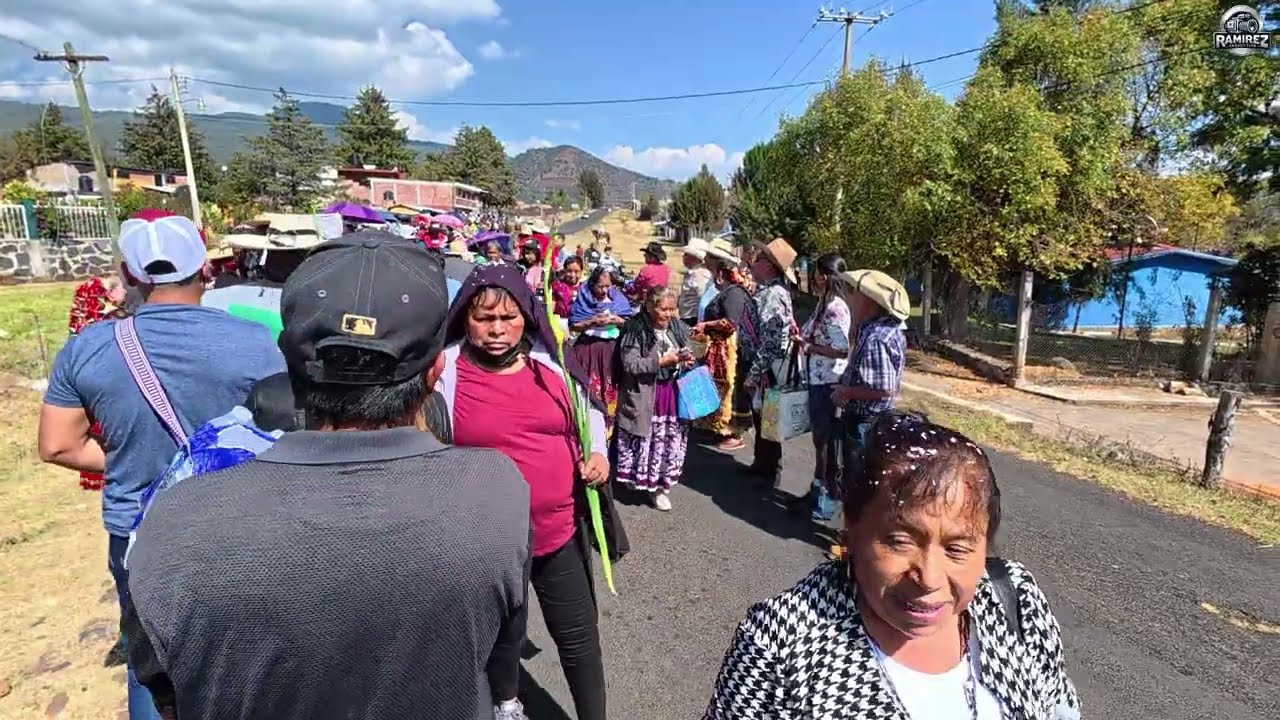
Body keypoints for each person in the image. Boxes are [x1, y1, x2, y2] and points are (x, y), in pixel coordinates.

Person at [123, 231, 534, 720]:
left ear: (288, 360)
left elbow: (163, 687)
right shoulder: (497, 492)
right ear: (435, 371)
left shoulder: (177, 518)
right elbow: (499, 644)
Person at [38, 211, 285, 720]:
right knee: (241, 657)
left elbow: (58, 446)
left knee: (150, 661)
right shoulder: (256, 341)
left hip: (137, 529)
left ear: (130, 275)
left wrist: (135, 456)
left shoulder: (88, 348)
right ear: (207, 269)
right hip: (235, 524)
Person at [704, 413, 1081, 719]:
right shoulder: (779, 644)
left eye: (957, 548)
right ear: (851, 529)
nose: (929, 578)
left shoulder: (1015, 598)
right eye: (900, 542)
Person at [436, 264, 612, 720]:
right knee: (503, 634)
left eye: (508, 318)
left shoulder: (551, 364)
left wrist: (598, 453)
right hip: (487, 541)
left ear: (527, 318)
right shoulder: (445, 370)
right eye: (484, 318)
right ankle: (506, 702)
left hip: (557, 531)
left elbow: (589, 411)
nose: (497, 329)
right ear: (465, 319)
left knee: (579, 638)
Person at [614, 286, 695, 511]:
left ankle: (659, 488)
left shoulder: (677, 327)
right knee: (646, 440)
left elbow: (688, 349)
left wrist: (687, 359)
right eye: (663, 309)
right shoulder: (635, 329)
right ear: (650, 306)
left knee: (667, 441)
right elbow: (630, 364)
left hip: (672, 395)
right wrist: (660, 362)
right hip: (647, 394)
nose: (668, 314)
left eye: (672, 309)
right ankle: (639, 481)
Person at [789, 253, 852, 521]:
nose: (813, 278)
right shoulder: (824, 303)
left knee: (825, 441)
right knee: (819, 440)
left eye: (816, 273)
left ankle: (826, 497)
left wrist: (809, 347)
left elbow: (841, 349)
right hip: (817, 378)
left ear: (824, 276)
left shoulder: (835, 308)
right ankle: (818, 490)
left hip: (828, 381)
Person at [743, 237, 797, 489]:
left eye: (759, 259)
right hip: (765, 366)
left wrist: (754, 374)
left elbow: (771, 343)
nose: (754, 263)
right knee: (762, 417)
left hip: (769, 370)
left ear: (768, 266)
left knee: (769, 419)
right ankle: (761, 463)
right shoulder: (768, 290)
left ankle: (770, 472)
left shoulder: (774, 295)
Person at [66, 274, 128, 491]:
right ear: (110, 294)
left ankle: (98, 475)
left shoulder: (86, 326)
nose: (125, 292)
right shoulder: (117, 321)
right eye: (120, 288)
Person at [692, 239, 754, 451]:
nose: (705, 260)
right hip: (719, 350)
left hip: (731, 353)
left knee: (731, 390)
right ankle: (717, 425)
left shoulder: (734, 293)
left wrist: (706, 325)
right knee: (720, 388)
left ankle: (732, 431)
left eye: (709, 258)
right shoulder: (724, 289)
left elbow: (731, 322)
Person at [569, 266, 635, 436]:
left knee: (611, 387)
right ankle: (586, 426)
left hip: (611, 352)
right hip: (588, 351)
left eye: (607, 286)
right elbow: (574, 325)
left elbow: (630, 323)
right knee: (588, 388)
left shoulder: (618, 299)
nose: (605, 290)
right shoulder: (583, 299)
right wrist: (592, 322)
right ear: (592, 285)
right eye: (600, 286)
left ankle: (608, 429)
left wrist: (617, 320)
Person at [677, 237, 713, 326]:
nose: (683, 257)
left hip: (693, 317)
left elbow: (703, 296)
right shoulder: (693, 273)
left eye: (686, 255)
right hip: (688, 315)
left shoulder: (699, 275)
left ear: (694, 258)